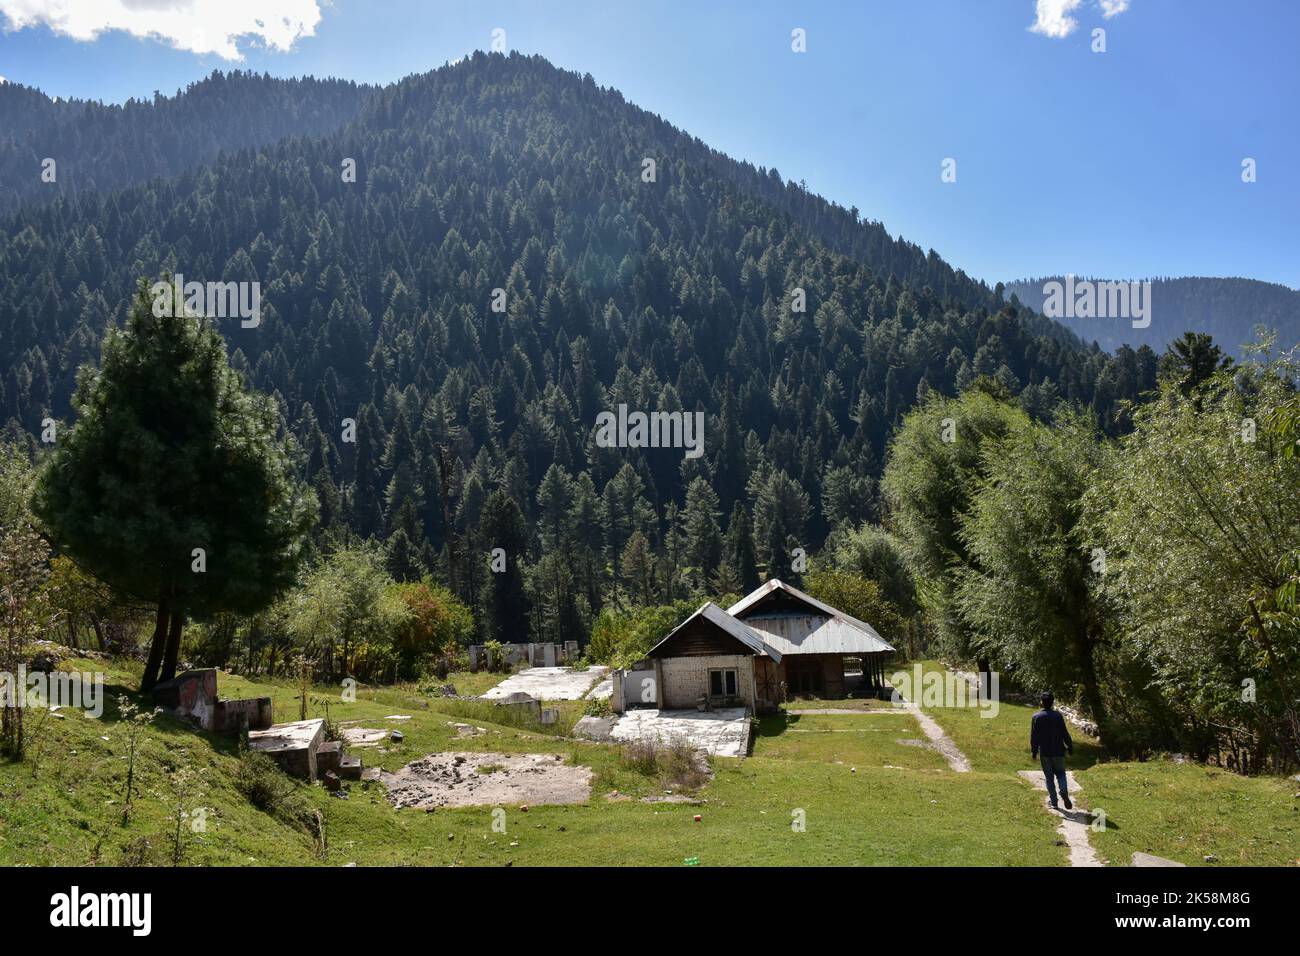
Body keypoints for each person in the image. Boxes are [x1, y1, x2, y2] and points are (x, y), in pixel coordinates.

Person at [1030, 692, 1073, 810]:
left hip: (1045, 752)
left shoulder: (1036, 717)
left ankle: (1054, 802)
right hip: (1058, 751)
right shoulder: (1058, 716)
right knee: (1061, 773)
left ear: (1041, 702)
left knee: (1049, 778)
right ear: (1052, 702)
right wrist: (1070, 746)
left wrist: (1034, 752)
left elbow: (1034, 737)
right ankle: (1063, 791)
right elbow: (1065, 733)